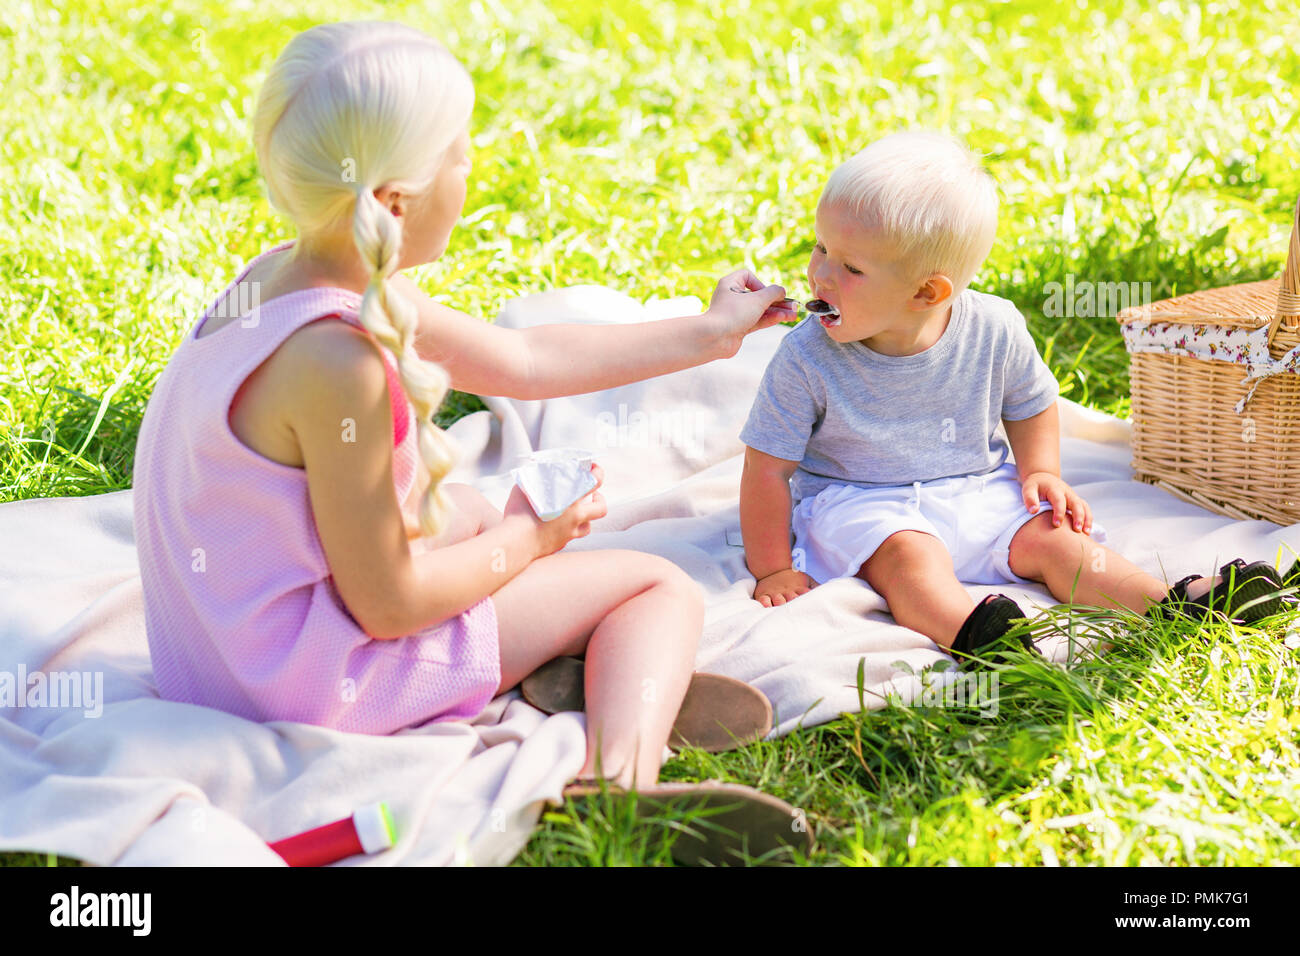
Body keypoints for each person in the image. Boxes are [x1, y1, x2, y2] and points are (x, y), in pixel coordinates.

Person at [132, 19, 806, 862]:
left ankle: (574, 664)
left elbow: (522, 358)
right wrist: (537, 538)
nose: (470, 167)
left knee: (477, 515)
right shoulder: (342, 365)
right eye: (458, 151)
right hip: (305, 687)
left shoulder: (292, 273)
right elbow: (389, 604)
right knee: (654, 586)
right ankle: (617, 784)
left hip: (214, 649)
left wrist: (707, 332)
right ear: (395, 201)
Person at [738, 130, 1293, 664]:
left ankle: (1174, 604)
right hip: (861, 502)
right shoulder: (806, 358)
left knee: (1060, 542)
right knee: (912, 558)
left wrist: (1040, 472)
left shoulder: (994, 327)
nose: (819, 275)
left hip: (977, 487)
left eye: (850, 267)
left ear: (927, 292)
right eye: (820, 248)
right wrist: (772, 569)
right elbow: (766, 471)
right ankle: (977, 632)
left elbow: (1029, 402)